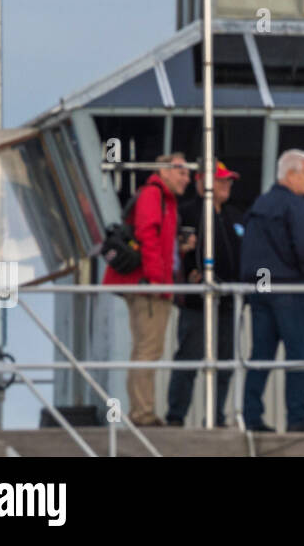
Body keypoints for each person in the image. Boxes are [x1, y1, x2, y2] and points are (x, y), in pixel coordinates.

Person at [241, 149, 304, 433]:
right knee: (298, 354)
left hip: (261, 289)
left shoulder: (259, 205)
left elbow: (249, 250)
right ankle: (296, 418)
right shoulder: (295, 205)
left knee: (260, 355)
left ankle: (251, 417)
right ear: (290, 174)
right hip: (291, 290)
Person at [102, 154, 191, 426]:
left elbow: (153, 237)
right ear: (163, 171)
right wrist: (157, 280)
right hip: (149, 286)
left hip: (150, 283)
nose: (186, 177)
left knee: (145, 348)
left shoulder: (158, 196)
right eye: (180, 171)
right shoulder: (154, 195)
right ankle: (142, 414)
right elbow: (147, 234)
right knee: (148, 349)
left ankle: (142, 411)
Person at [166, 160, 245, 426]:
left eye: (228, 180)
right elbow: (177, 249)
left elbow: (251, 256)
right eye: (221, 180)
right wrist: (189, 271)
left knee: (225, 364)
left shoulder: (235, 215)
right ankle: (175, 417)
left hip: (230, 301)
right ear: (203, 182)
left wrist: (259, 288)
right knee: (188, 359)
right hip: (196, 301)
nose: (227, 185)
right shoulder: (187, 212)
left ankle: (215, 416)